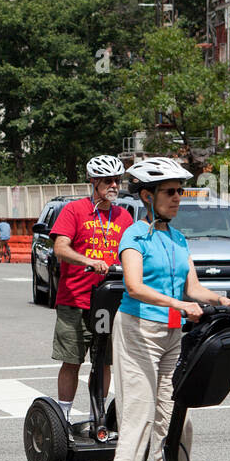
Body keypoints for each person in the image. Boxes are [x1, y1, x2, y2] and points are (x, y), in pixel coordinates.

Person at [112, 157, 230, 461]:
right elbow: (134, 286)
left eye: (180, 191)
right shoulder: (134, 235)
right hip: (137, 331)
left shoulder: (177, 238)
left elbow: (194, 289)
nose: (178, 198)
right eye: (170, 192)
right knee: (138, 417)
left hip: (172, 335)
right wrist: (179, 305)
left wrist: (223, 299)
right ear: (146, 196)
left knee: (176, 418)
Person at [48, 155, 135, 420]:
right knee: (72, 360)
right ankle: (62, 415)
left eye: (117, 181)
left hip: (110, 302)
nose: (114, 186)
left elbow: (133, 252)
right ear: (94, 181)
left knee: (104, 362)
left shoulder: (124, 217)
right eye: (108, 181)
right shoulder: (74, 211)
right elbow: (60, 248)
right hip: (75, 299)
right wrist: (89, 260)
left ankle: (96, 415)